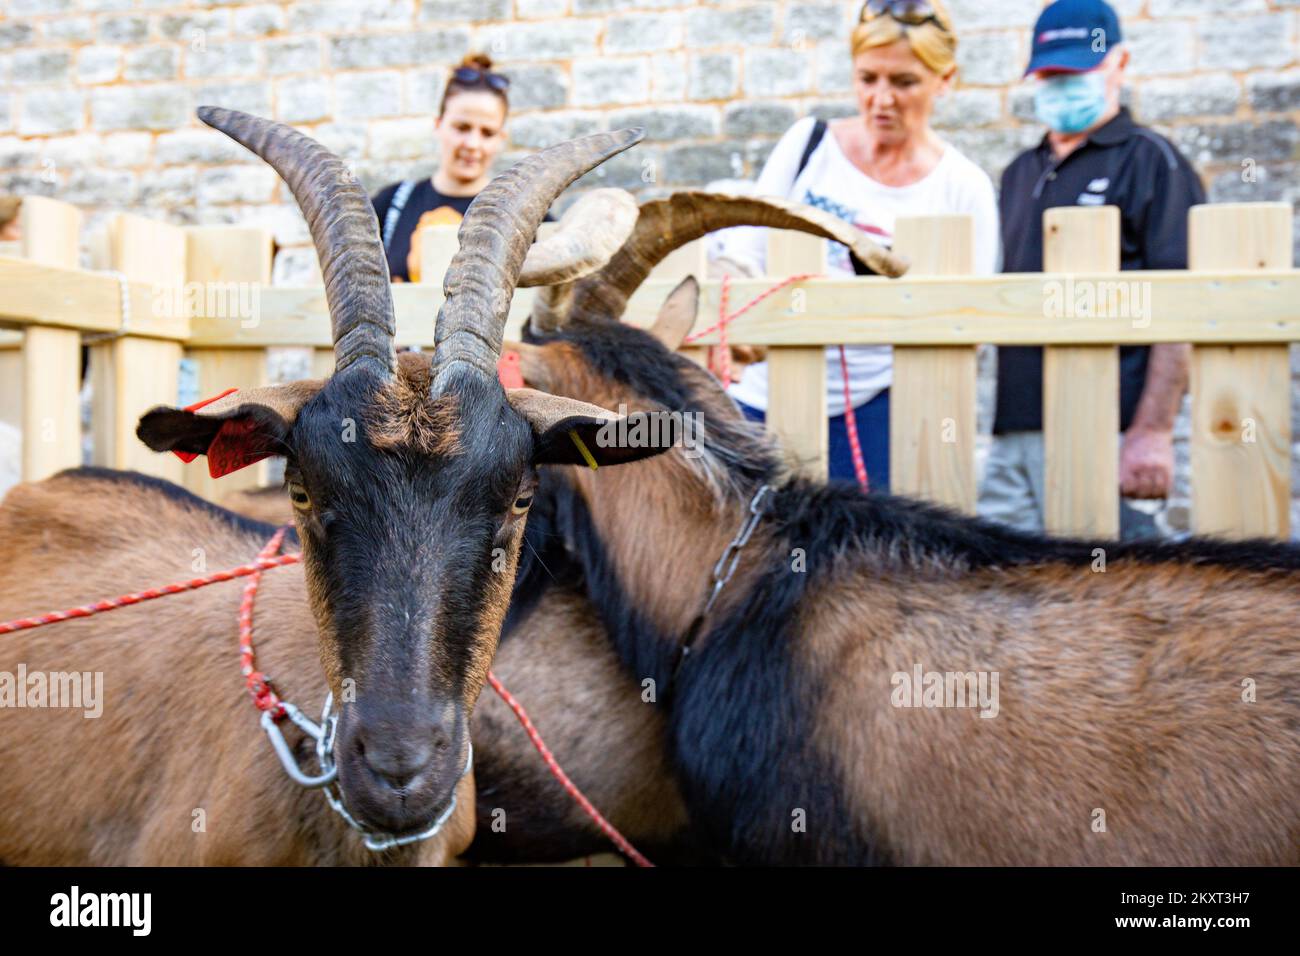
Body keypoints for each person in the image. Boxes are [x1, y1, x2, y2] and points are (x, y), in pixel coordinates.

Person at [711, 0, 998, 491]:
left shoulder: (963, 186)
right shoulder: (810, 144)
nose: (882, 99)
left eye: (904, 82)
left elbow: (973, 318)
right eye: (868, 79)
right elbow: (746, 246)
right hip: (764, 393)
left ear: (945, 79)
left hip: (874, 405)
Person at [978, 0, 1205, 537]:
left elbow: (1184, 305)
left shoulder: (1153, 161)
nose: (1061, 85)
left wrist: (1151, 430)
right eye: (1051, 74)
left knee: (1113, 598)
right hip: (1016, 428)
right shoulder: (1018, 172)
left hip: (1110, 429)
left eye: (1077, 72)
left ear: (1119, 65)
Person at [372, 53, 513, 283]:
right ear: (439, 125)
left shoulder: (524, 214)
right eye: (462, 127)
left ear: (501, 138)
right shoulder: (389, 207)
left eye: (487, 133)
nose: (472, 144)